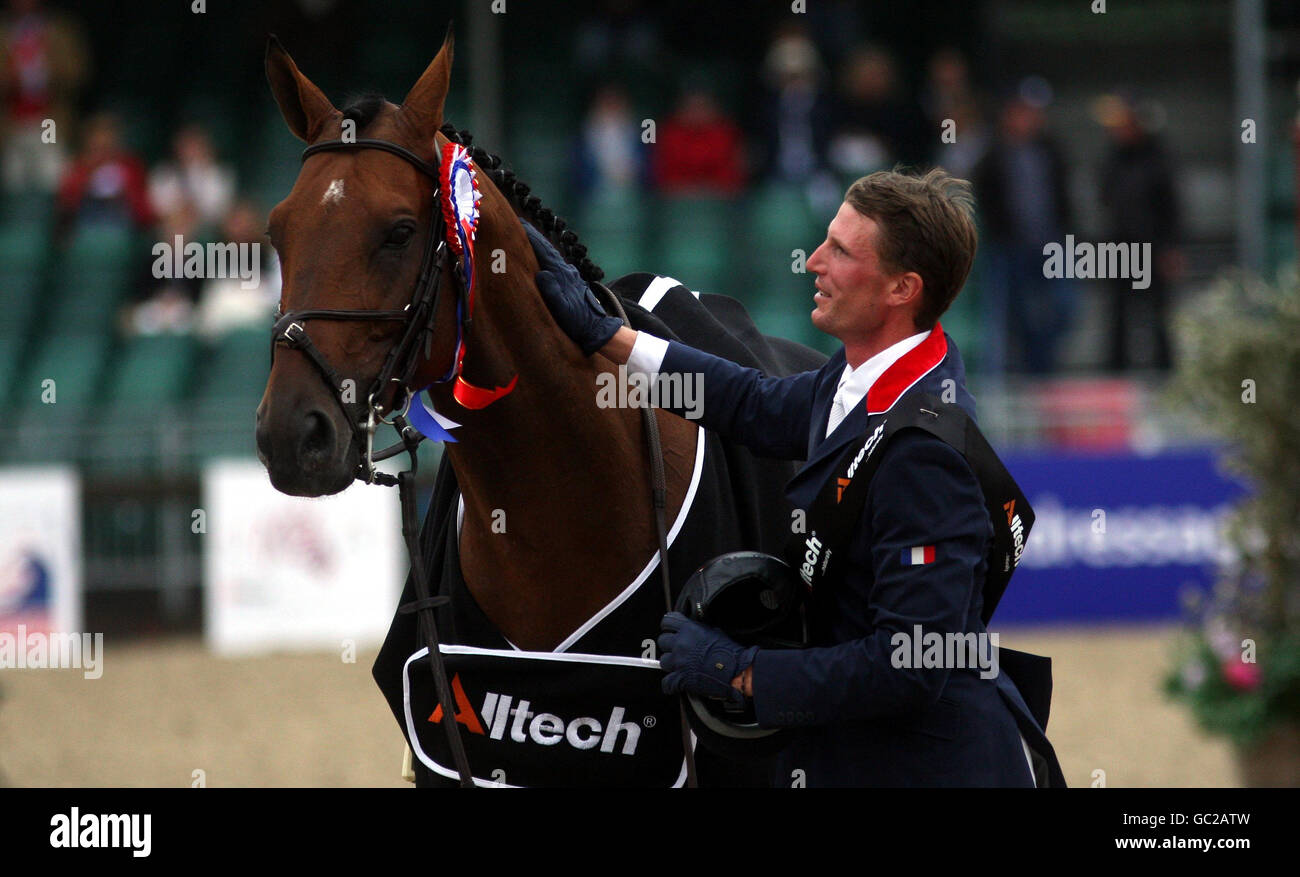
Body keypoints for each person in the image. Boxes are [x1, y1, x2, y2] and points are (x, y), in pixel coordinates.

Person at [525, 168, 1064, 788]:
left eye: (839, 250)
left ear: (900, 289)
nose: (812, 262)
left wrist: (742, 673)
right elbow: (748, 400)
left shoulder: (925, 454)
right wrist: (612, 337)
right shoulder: (861, 378)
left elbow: (910, 665)